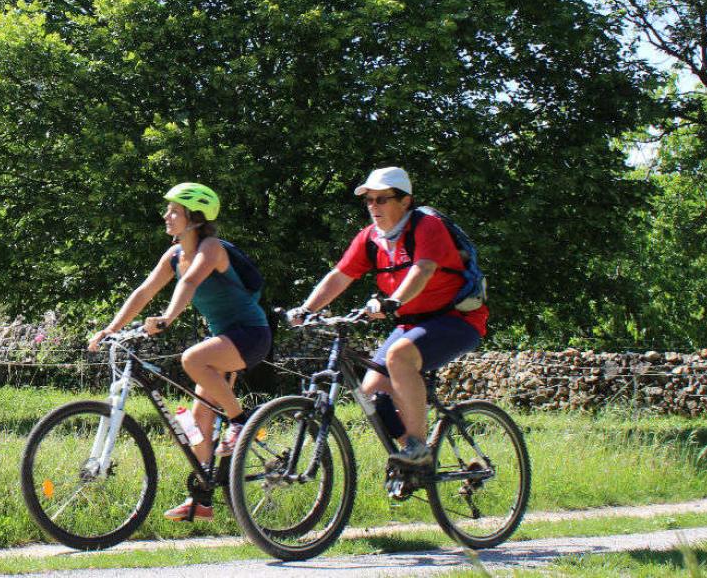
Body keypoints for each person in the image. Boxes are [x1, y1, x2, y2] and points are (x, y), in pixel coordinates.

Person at [87, 182, 272, 522]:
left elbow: (189, 284)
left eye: (175, 211)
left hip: (250, 335)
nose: (166, 216)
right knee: (196, 426)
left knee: (192, 358)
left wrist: (168, 317)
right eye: (168, 210)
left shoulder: (211, 248)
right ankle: (202, 501)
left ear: (195, 218)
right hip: (224, 342)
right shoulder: (173, 256)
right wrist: (111, 329)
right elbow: (144, 291)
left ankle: (240, 422)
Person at [289, 167, 487, 468]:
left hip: (456, 320)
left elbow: (423, 270)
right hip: (411, 324)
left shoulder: (426, 226)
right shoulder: (371, 238)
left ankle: (419, 446)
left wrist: (392, 301)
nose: (373, 207)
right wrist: (306, 310)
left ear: (405, 201)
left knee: (398, 356)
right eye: (369, 200)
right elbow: (340, 276)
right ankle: (413, 458)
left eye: (382, 200)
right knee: (370, 393)